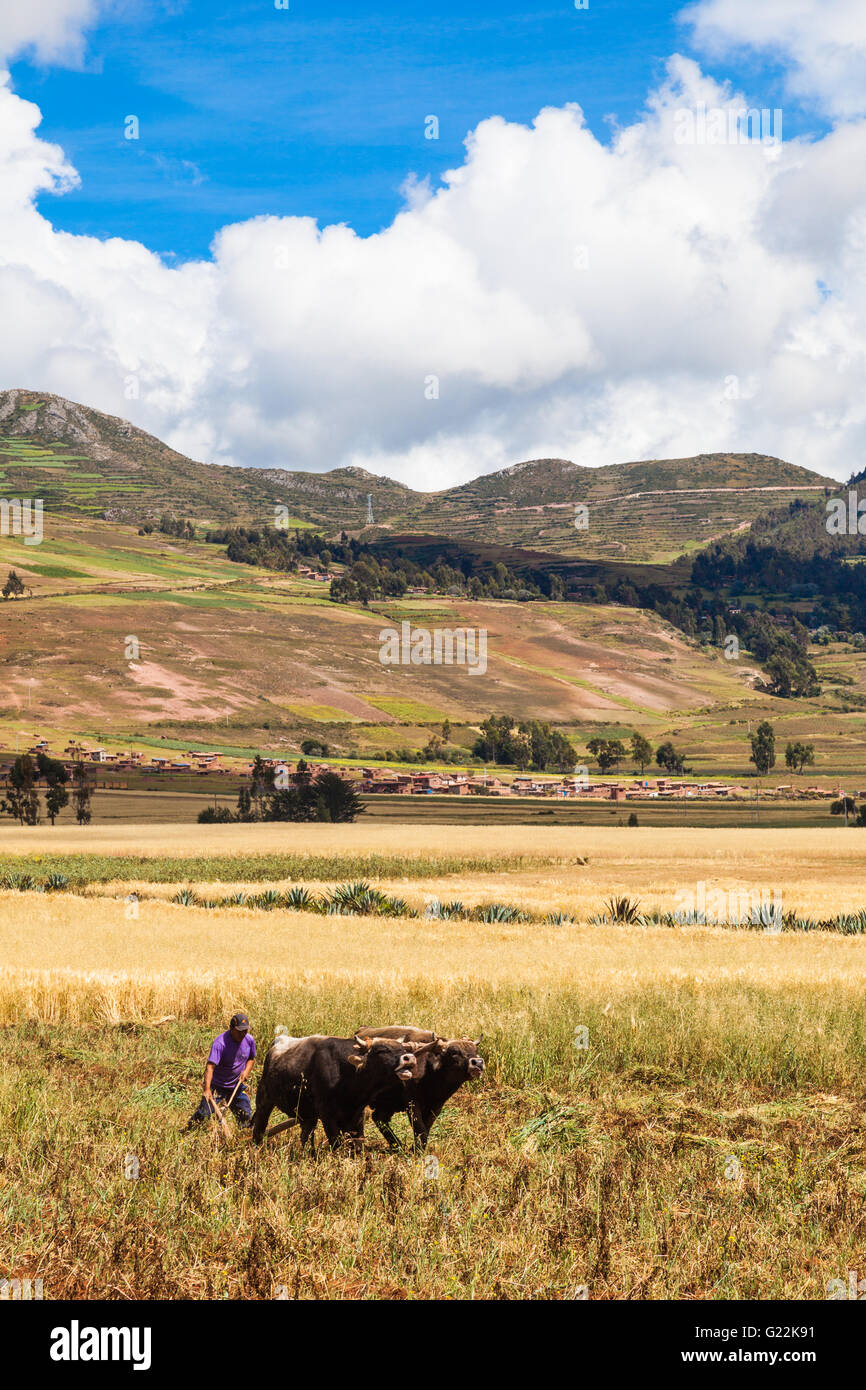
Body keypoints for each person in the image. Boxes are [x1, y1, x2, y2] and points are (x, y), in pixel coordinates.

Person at [186, 1011, 257, 1130]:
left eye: (245, 1031)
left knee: (245, 1114)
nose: (243, 1034)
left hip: (236, 1086)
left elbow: (251, 1058)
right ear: (231, 1028)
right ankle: (188, 1130)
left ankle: (244, 1137)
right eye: (240, 1031)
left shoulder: (249, 1040)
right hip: (217, 1086)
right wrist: (207, 1089)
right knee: (205, 1113)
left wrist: (246, 1071)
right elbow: (210, 1067)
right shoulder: (220, 1043)